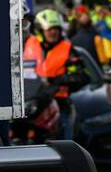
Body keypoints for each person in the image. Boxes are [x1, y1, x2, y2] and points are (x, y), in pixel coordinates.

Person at [22, 9, 88, 139]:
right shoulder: (29, 44)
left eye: (56, 28)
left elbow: (82, 75)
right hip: (31, 103)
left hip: (58, 102)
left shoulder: (67, 48)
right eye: (49, 29)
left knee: (65, 141)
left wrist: (57, 81)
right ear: (40, 30)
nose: (53, 32)